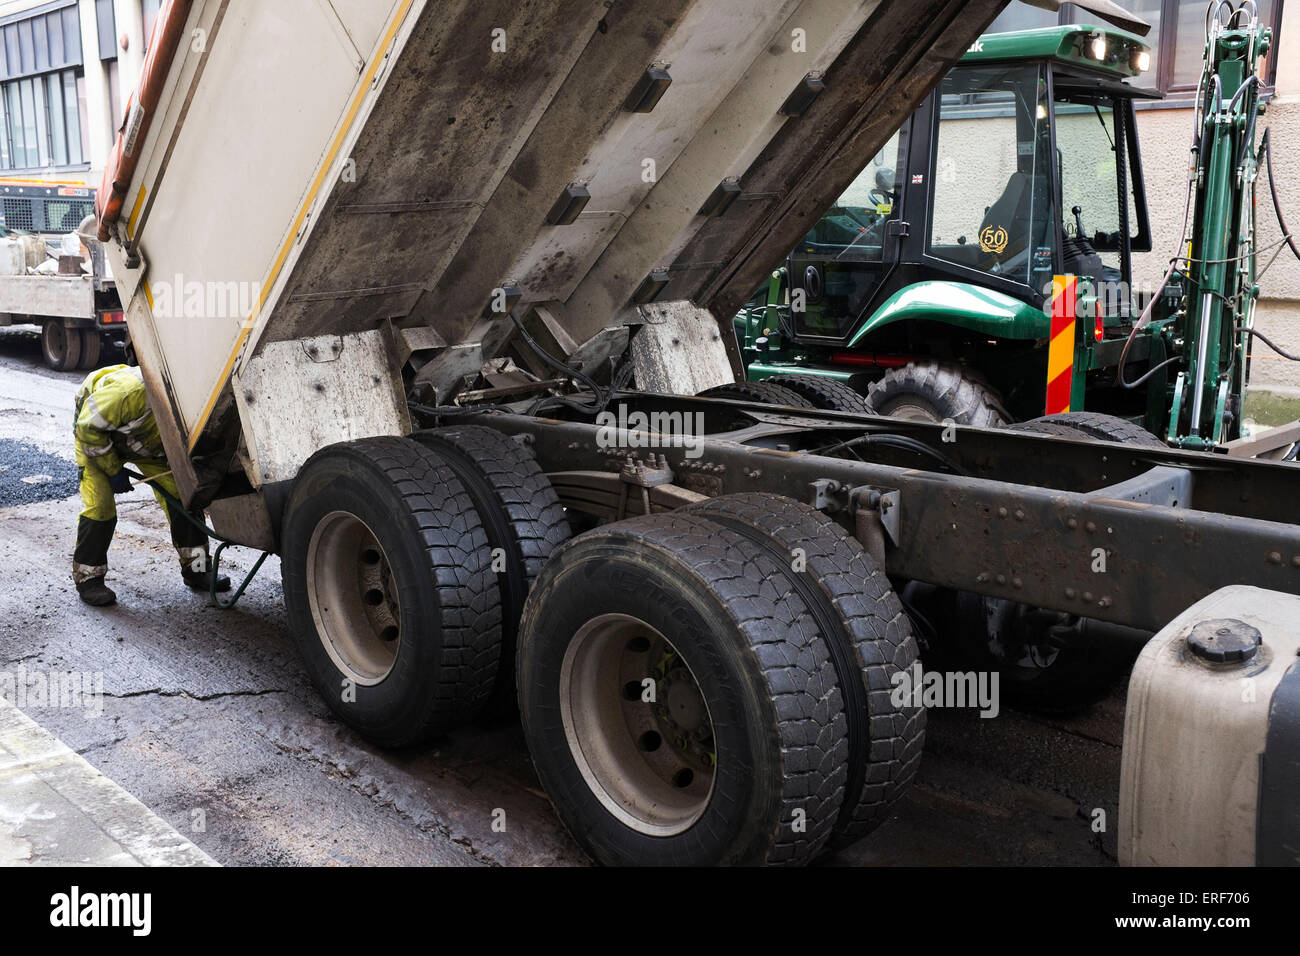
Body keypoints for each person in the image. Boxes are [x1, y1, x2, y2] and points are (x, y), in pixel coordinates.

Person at [72, 363, 230, 606]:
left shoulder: (189, 400)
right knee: (100, 509)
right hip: (97, 442)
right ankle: (89, 579)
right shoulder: (129, 394)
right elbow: (88, 428)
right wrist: (113, 470)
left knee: (185, 498)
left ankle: (197, 570)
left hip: (143, 444)